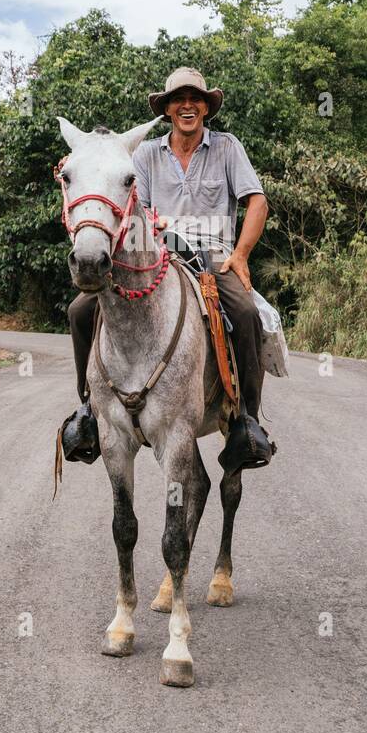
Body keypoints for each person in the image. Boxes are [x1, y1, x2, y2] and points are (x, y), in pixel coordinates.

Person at [61, 66, 275, 473]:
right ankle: (88, 410)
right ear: (169, 108)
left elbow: (257, 202)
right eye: (179, 99)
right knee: (80, 311)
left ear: (206, 107)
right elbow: (127, 203)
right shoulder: (145, 153)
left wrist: (242, 254)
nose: (187, 105)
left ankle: (247, 419)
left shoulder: (228, 148)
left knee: (245, 314)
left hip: (211, 256)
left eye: (195, 98)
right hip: (153, 252)